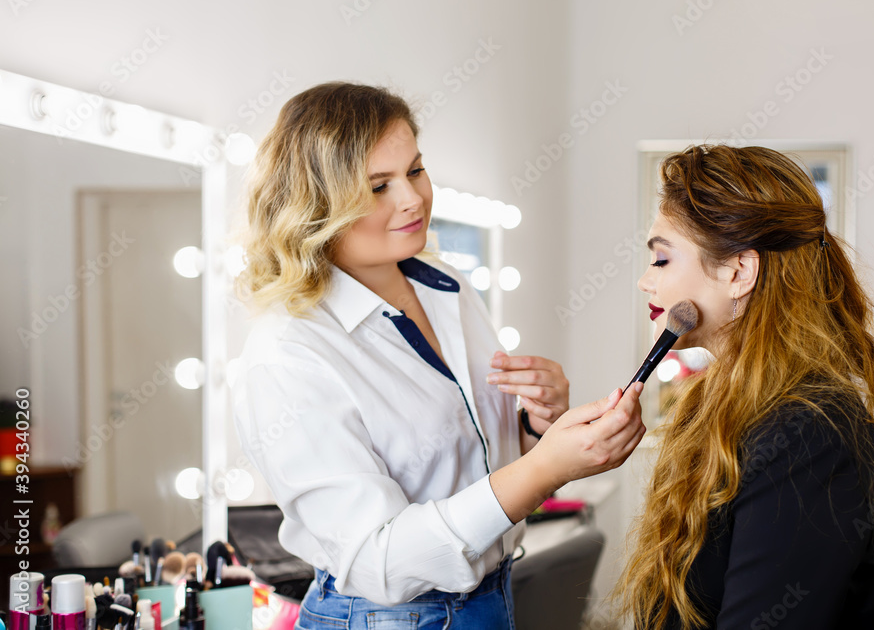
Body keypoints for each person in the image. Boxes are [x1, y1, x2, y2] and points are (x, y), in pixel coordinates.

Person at [230, 82, 645, 630]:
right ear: (316, 204)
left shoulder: (447, 285)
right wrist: (546, 469)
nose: (413, 199)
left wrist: (536, 428)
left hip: (491, 596)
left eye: (416, 170)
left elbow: (469, 464)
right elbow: (379, 562)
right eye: (379, 186)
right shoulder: (289, 353)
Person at [613, 144, 874, 629]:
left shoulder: (808, 432)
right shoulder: (719, 402)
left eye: (662, 259)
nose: (645, 281)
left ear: (739, 272)